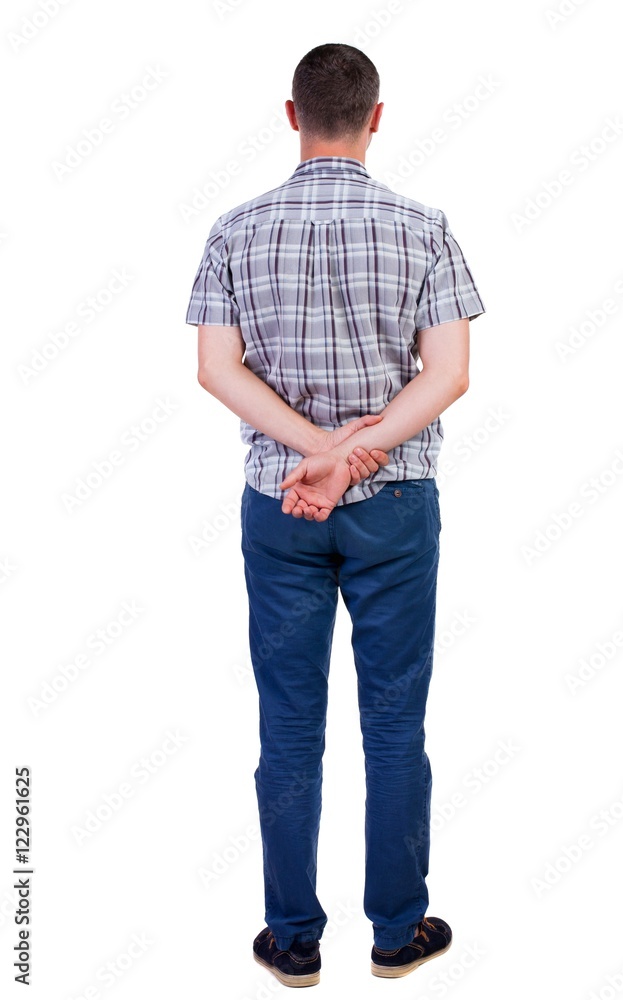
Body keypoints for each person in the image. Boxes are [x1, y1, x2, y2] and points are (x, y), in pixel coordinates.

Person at [185, 42, 485, 987]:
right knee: (395, 724)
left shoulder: (234, 231)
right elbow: (450, 376)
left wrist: (311, 454)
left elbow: (215, 370)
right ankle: (397, 934)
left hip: (281, 509)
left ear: (291, 115)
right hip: (395, 505)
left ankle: (294, 939)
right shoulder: (425, 228)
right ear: (377, 116)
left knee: (288, 727)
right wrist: (351, 451)